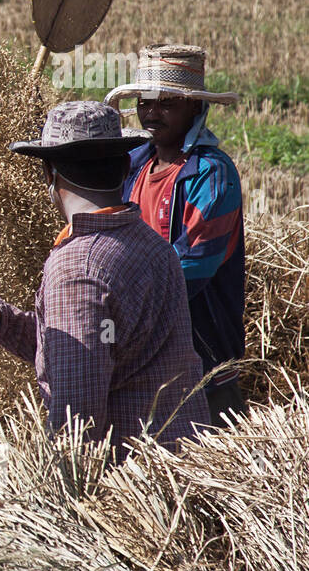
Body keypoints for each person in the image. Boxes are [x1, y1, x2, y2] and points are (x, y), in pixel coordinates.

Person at [0, 100, 209, 461]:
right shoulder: (152, 245)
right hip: (180, 464)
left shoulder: (77, 269)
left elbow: (77, 420)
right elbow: (100, 347)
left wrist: (63, 495)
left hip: (128, 485)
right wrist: (7, 325)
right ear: (125, 167)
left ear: (49, 175)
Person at [105, 45, 246, 426]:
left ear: (195, 109)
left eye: (168, 104)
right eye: (145, 102)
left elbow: (193, 269)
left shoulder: (211, 175)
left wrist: (125, 312)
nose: (152, 113)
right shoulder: (133, 164)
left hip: (201, 356)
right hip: (139, 351)